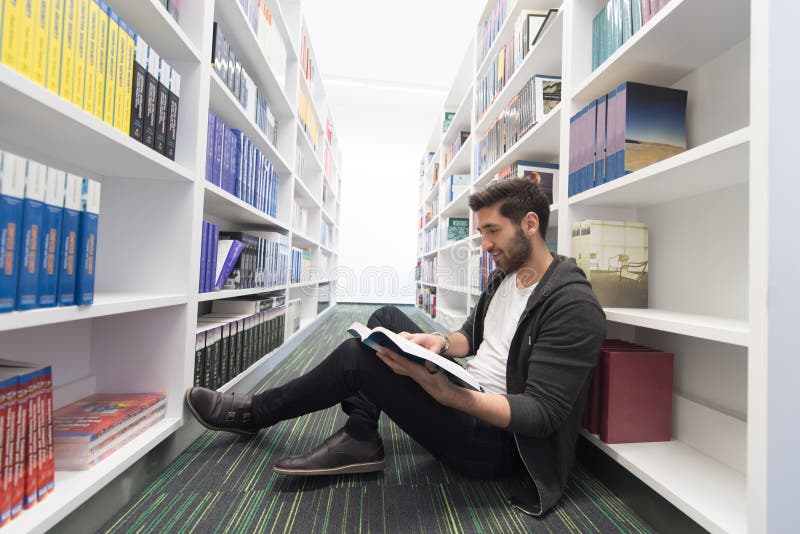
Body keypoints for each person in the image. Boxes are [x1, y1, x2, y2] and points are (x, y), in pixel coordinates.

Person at [185, 177, 606, 516]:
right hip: (467, 389)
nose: (485, 245)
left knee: (358, 357)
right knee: (385, 318)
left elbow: (542, 415)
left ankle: (254, 414)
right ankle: (361, 433)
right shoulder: (507, 274)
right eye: (481, 233)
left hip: (496, 445)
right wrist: (437, 342)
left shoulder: (572, 304)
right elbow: (472, 338)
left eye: (492, 231)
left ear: (530, 224)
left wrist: (446, 392)